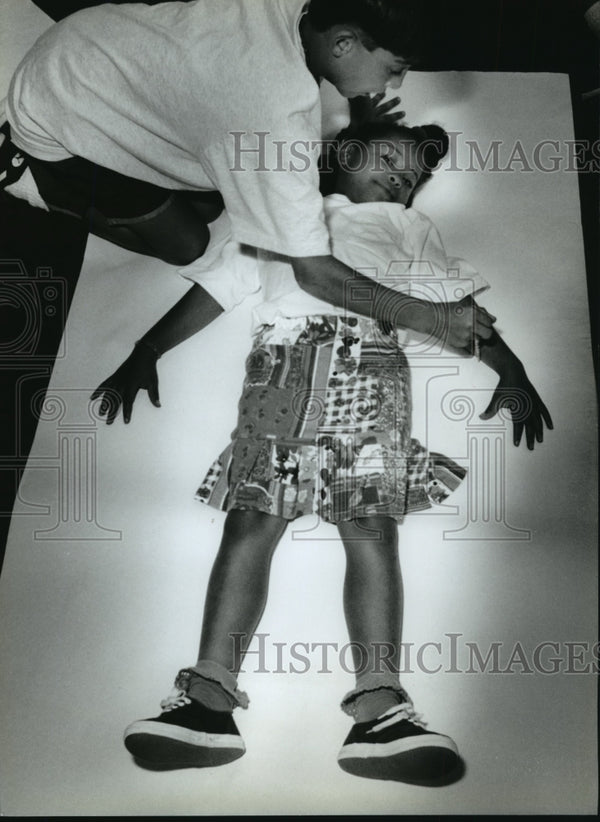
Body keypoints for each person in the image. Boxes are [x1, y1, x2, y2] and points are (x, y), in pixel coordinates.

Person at [92, 121, 552, 783]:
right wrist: (146, 350)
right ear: (340, 156)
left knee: (370, 529)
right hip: (283, 370)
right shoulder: (285, 214)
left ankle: (379, 708)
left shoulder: (405, 227)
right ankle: (208, 700)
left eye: (413, 172)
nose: (402, 174)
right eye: (390, 157)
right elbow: (220, 287)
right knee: (251, 519)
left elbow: (456, 306)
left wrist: (511, 370)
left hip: (372, 374)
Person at [1, 0, 494, 350]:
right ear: (343, 43)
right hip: (59, 113)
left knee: (214, 200)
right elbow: (314, 273)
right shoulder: (275, 115)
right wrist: (428, 317)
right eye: (394, 69)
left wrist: (360, 123)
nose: (397, 83)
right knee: (189, 244)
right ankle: (29, 176)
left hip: (88, 37)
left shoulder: (300, 11)